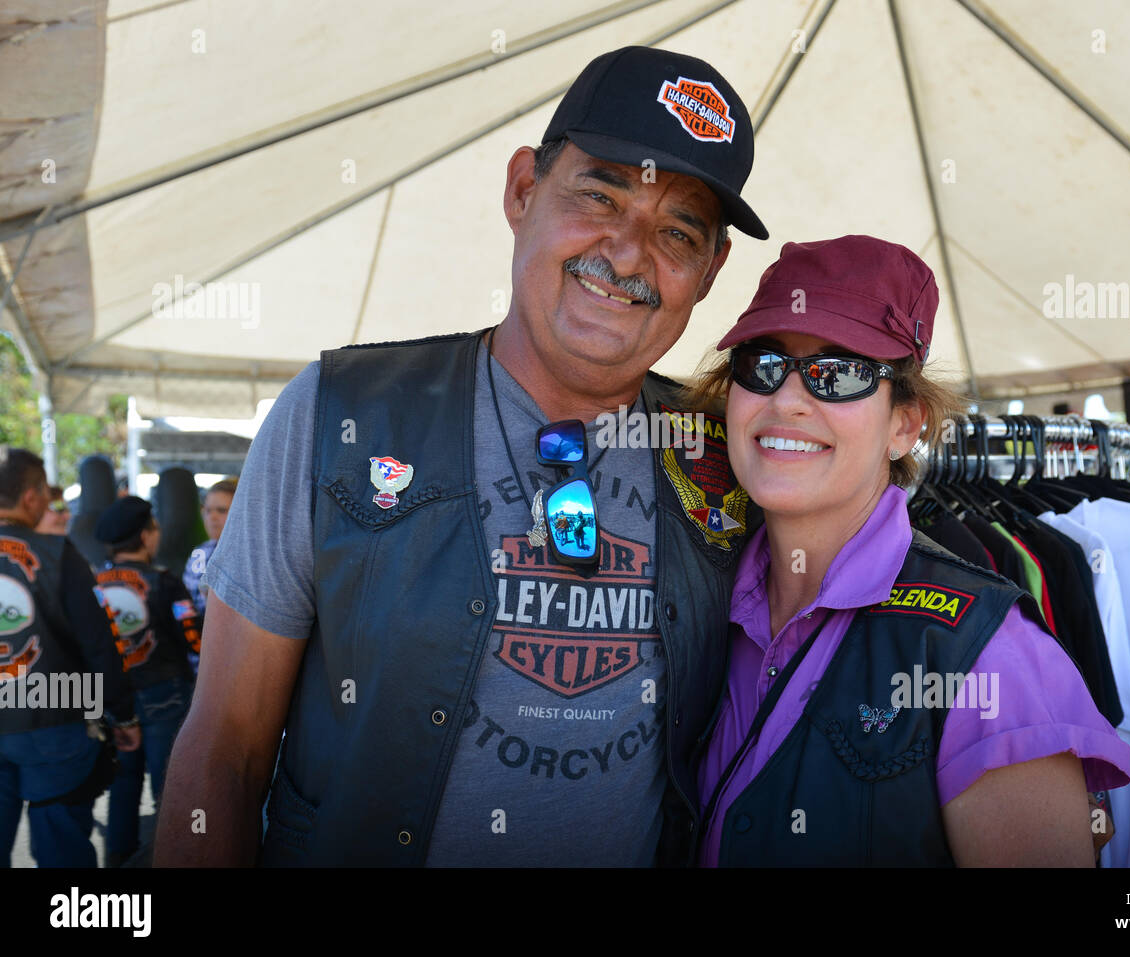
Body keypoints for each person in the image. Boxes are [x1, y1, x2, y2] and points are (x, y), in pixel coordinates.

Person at [156, 45, 768, 866]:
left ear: (710, 269)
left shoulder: (722, 458)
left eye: (677, 232)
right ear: (523, 189)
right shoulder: (343, 411)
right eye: (599, 194)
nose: (627, 254)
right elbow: (225, 743)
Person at [692, 236, 1130, 865]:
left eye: (839, 372)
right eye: (762, 364)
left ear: (904, 425)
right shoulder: (694, 589)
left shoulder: (990, 655)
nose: (787, 399)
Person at [0, 447, 140, 868]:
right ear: (32, 496)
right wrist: (123, 716)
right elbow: (100, 644)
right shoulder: (61, 554)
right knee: (62, 849)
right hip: (57, 719)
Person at [93, 496, 201, 866]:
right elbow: (195, 638)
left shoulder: (93, 584)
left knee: (123, 784)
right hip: (165, 694)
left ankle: (118, 858)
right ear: (145, 535)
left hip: (113, 699)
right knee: (167, 787)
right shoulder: (166, 583)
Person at [181, 477, 236, 669]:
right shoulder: (199, 553)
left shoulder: (254, 556)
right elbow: (186, 606)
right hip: (199, 659)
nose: (212, 518)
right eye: (207, 510)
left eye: (221, 510)